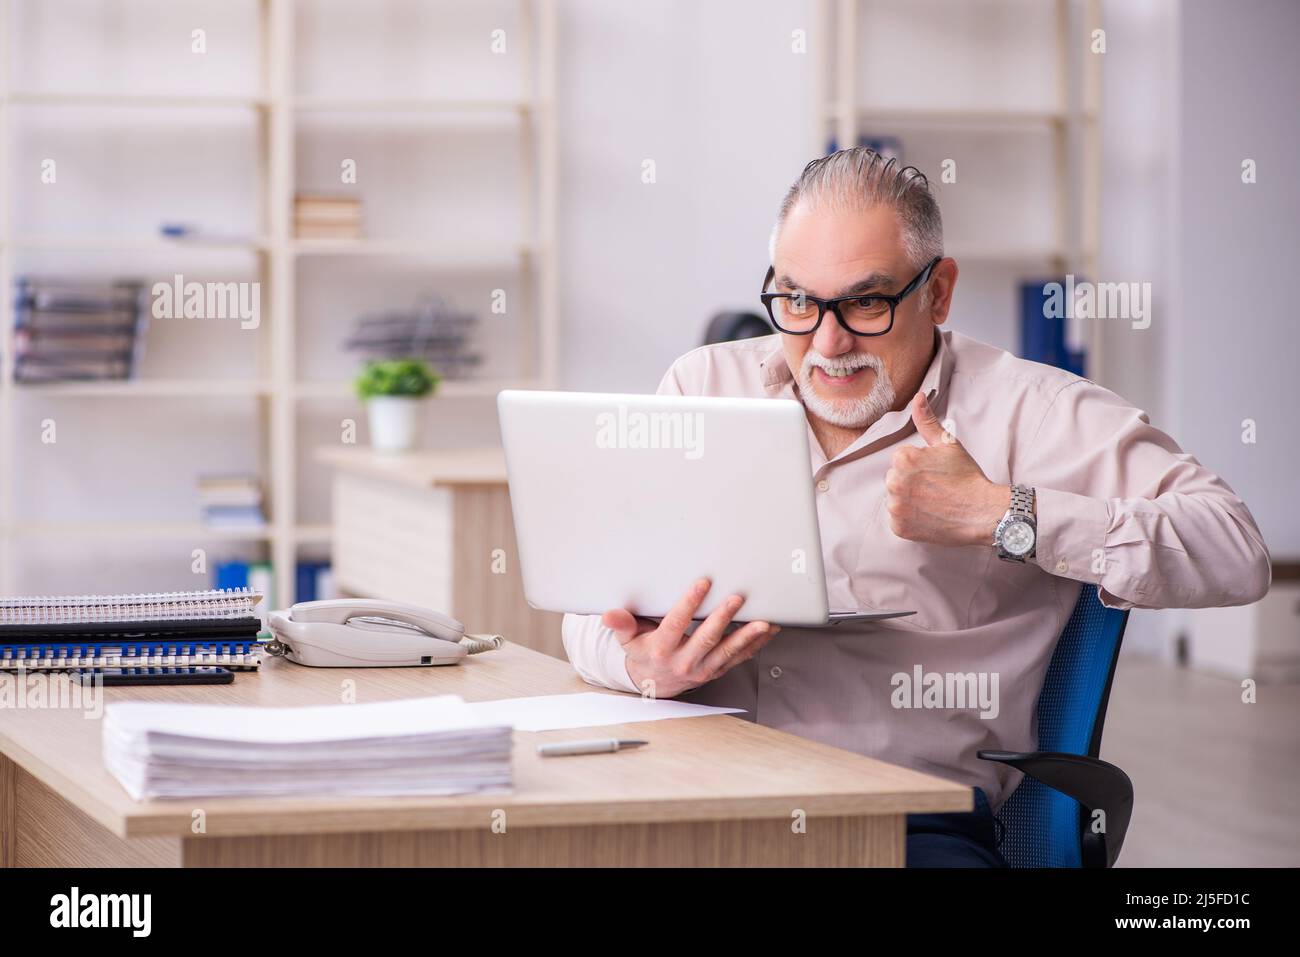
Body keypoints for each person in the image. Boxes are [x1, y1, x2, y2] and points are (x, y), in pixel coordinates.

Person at [562, 147, 1271, 867]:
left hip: (898, 819)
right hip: (692, 798)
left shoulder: (1034, 412)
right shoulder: (702, 385)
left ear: (938, 293)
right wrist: (646, 664)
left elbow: (1235, 548)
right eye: (799, 301)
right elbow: (589, 611)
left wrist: (1005, 514)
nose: (827, 344)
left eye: (865, 302)